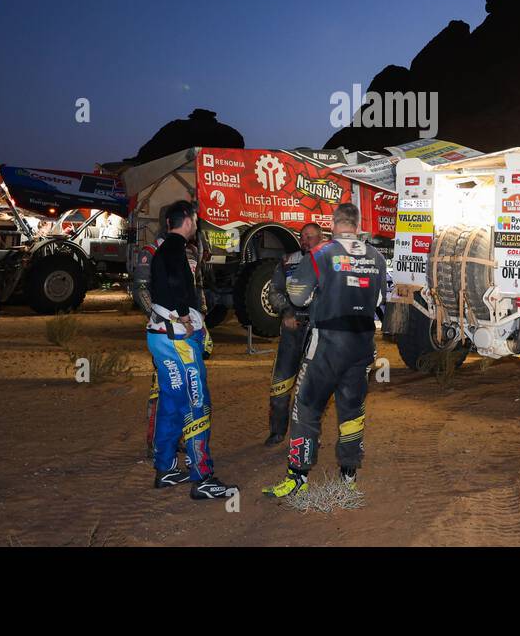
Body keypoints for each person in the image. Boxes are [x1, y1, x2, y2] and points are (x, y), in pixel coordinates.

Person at [263, 203, 384, 498]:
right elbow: (380, 297)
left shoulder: (321, 253)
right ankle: (348, 475)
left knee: (305, 408)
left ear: (333, 223)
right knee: (352, 410)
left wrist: (320, 291)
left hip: (328, 343)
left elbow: (298, 297)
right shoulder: (377, 257)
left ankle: (297, 477)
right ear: (357, 224)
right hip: (363, 345)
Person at [146, 199, 237, 501]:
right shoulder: (175, 249)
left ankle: (166, 468)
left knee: (172, 402)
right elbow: (175, 282)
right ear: (185, 219)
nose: (197, 224)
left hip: (158, 335)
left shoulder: (162, 248)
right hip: (177, 339)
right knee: (197, 402)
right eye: (195, 219)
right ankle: (202, 477)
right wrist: (185, 315)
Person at [264, 222, 323, 446]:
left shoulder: (329, 260)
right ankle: (277, 431)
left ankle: (309, 435)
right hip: (292, 328)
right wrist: (287, 312)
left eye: (310, 237)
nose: (305, 241)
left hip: (318, 330)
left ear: (320, 237)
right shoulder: (288, 261)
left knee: (313, 386)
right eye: (302, 237)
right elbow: (274, 291)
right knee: (281, 382)